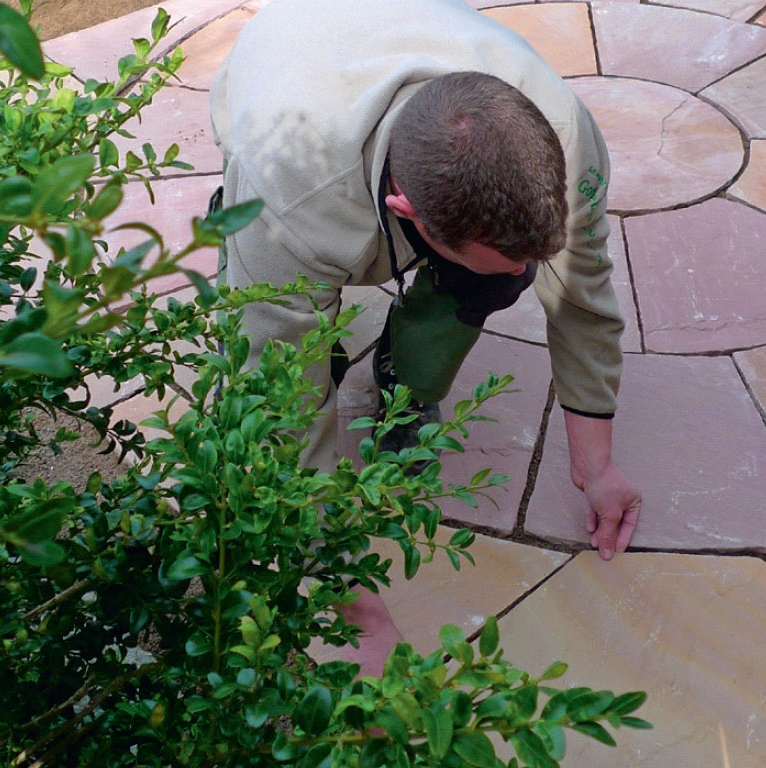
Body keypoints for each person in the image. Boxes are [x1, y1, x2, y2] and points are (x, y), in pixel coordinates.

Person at [210, 0, 642, 676]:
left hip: (386, 32)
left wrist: (596, 466)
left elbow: (581, 292)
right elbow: (278, 405)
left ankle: (403, 380)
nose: (528, 269)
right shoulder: (287, 196)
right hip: (290, 72)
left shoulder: (560, 133)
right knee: (288, 349)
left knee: (494, 279)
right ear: (407, 213)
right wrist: (353, 604)